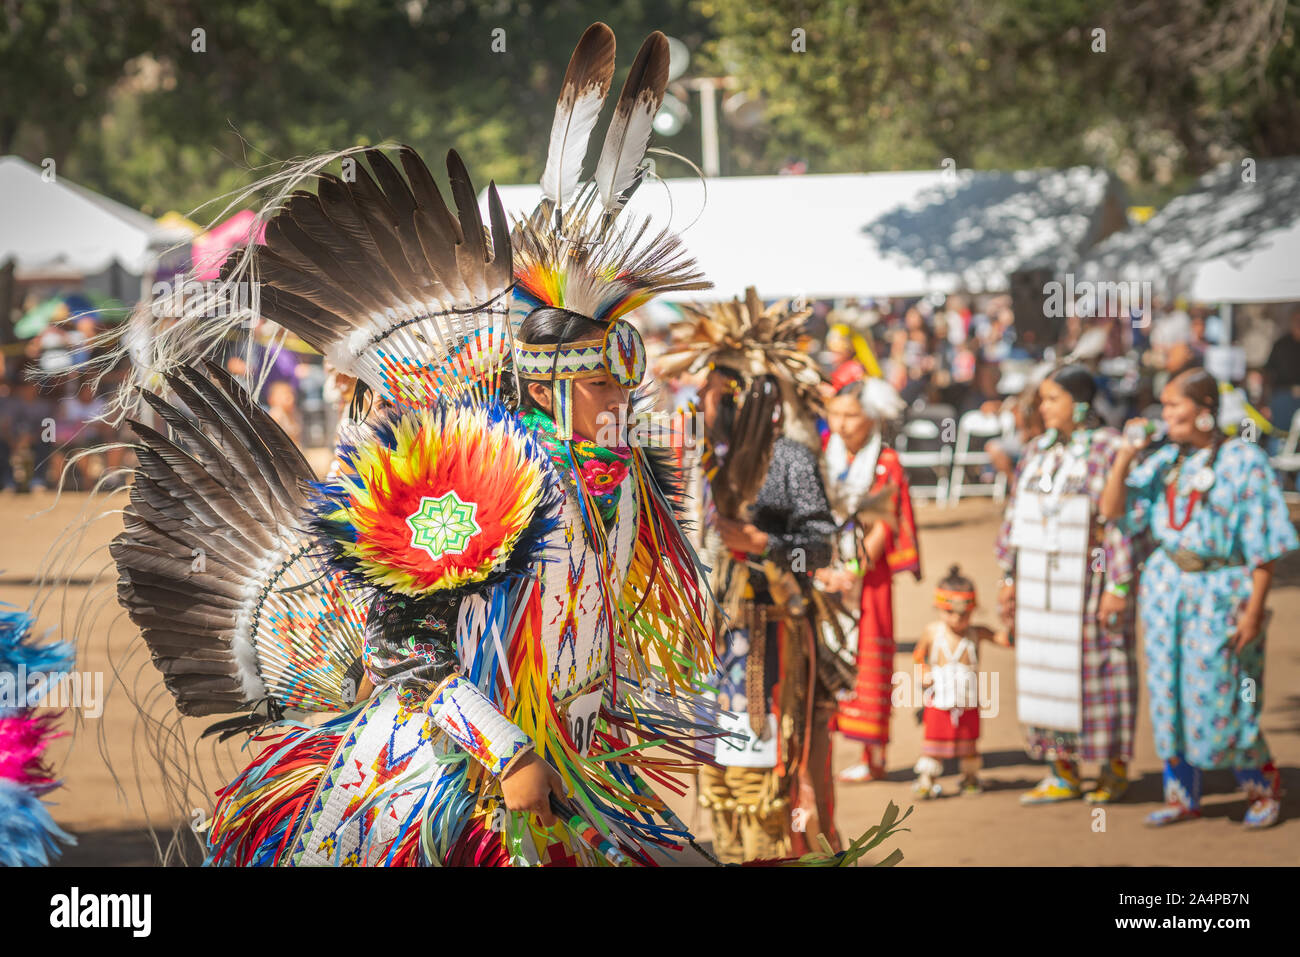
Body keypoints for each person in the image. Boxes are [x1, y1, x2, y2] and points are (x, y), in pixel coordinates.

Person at [659, 289, 844, 862]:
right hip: (705, 645)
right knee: (719, 780)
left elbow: (819, 549)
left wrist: (767, 544)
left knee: (773, 778)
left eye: (717, 392)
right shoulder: (682, 458)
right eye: (703, 391)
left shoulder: (787, 458)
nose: (705, 402)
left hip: (769, 640)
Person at [1100, 367, 1298, 829]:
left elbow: (1265, 546)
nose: (1164, 414)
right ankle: (1181, 794)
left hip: (1222, 591)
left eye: (1173, 405)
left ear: (1205, 410)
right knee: (1169, 693)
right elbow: (1112, 511)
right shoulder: (1167, 461)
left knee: (1223, 693)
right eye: (1163, 405)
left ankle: (1262, 786)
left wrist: (1254, 611)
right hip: (1167, 590)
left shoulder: (1243, 461)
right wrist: (1126, 453)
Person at [995, 364, 1138, 805]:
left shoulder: (1109, 447)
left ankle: (1113, 768)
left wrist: (1119, 584)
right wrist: (1008, 577)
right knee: (1045, 670)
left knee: (1101, 667)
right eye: (1042, 399)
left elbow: (1121, 521)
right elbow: (1016, 516)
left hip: (1089, 580)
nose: (1042, 407)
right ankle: (1062, 769)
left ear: (1078, 403)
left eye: (1051, 398)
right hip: (1040, 585)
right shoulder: (1037, 451)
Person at [817, 376, 920, 783]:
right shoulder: (828, 455)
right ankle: (827, 745)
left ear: (872, 419)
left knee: (870, 658)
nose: (841, 424)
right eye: (836, 414)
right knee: (827, 652)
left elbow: (883, 524)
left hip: (866, 578)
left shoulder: (886, 463)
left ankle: (873, 754)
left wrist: (852, 571)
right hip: (827, 570)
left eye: (851, 415)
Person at [912, 566, 1011, 798]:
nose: (957, 619)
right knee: (933, 743)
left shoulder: (977, 633)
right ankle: (927, 779)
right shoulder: (932, 632)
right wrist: (923, 672)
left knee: (969, 743)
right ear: (939, 608)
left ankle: (969, 778)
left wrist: (1013, 618)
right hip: (940, 701)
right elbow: (919, 655)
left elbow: (1006, 640)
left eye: (964, 614)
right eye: (950, 613)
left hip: (967, 701)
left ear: (973, 611)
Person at [1264, 308, 1300, 450]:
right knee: (1279, 439)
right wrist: (1265, 402)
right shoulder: (1281, 345)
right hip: (1284, 398)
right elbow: (1268, 373)